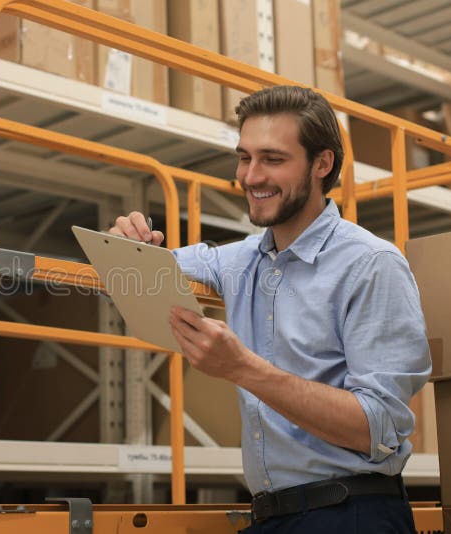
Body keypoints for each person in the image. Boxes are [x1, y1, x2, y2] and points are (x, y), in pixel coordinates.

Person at [108, 85, 431, 533]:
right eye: (245, 157)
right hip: (270, 515)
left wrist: (243, 368)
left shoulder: (371, 265)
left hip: (351, 516)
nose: (252, 176)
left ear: (322, 164)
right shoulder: (239, 261)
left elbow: (376, 429)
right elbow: (135, 270)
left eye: (273, 159)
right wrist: (126, 245)